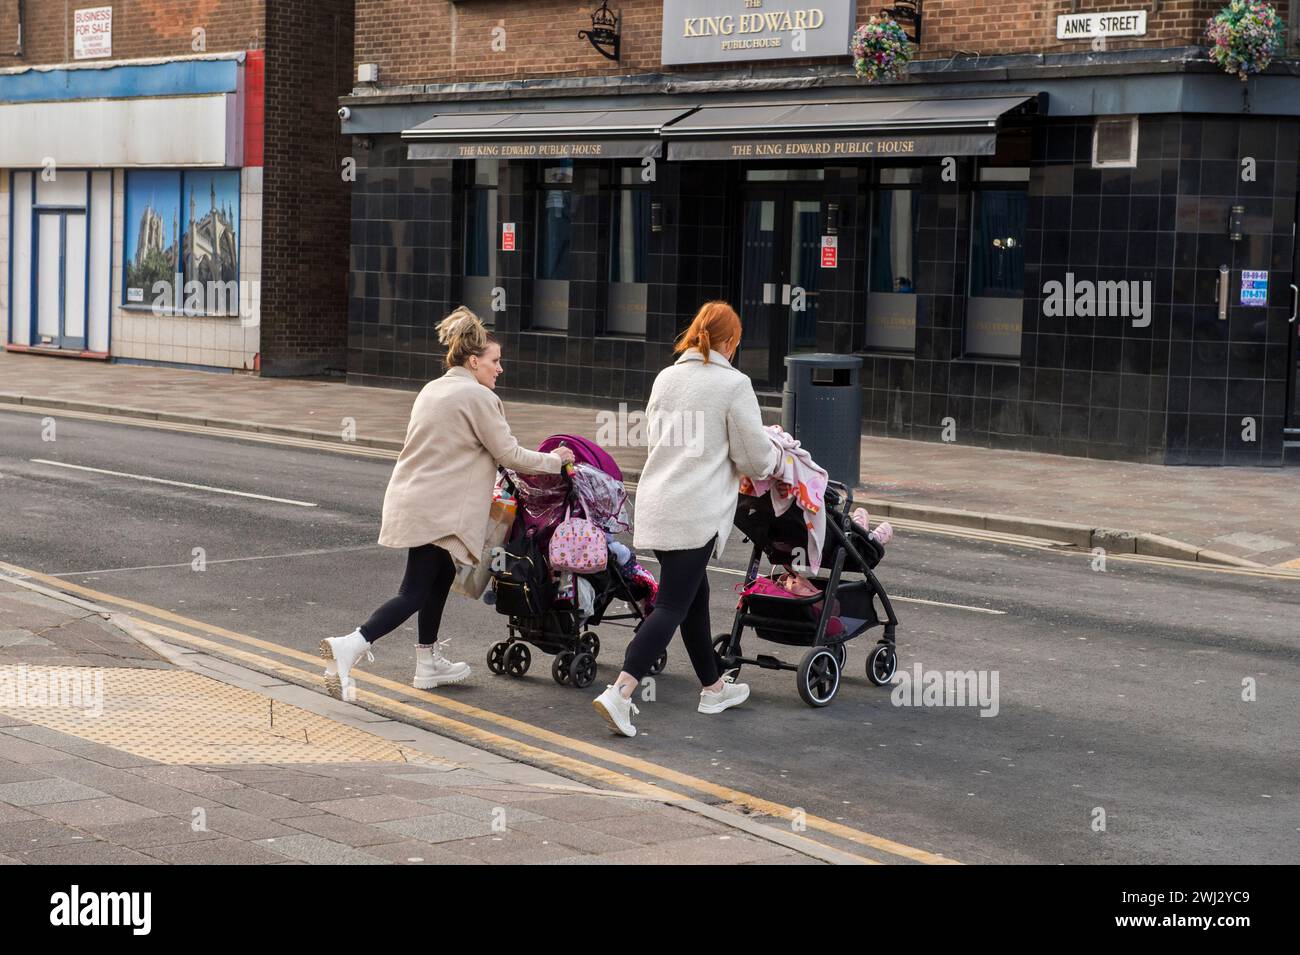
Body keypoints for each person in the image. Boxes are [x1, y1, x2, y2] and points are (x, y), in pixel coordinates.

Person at [320, 307, 574, 700]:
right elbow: (509, 454)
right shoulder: (477, 396)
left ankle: (427, 663)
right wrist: (555, 462)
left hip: (415, 500)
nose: (499, 369)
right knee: (413, 591)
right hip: (437, 510)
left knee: (438, 579)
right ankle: (351, 644)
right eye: (495, 361)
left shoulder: (434, 388)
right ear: (474, 361)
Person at [592, 301, 780, 737]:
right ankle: (621, 692)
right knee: (672, 605)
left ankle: (714, 687)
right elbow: (754, 457)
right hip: (696, 511)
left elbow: (662, 437)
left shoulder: (667, 376)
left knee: (694, 597)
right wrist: (775, 456)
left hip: (661, 503)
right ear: (730, 341)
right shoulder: (734, 385)